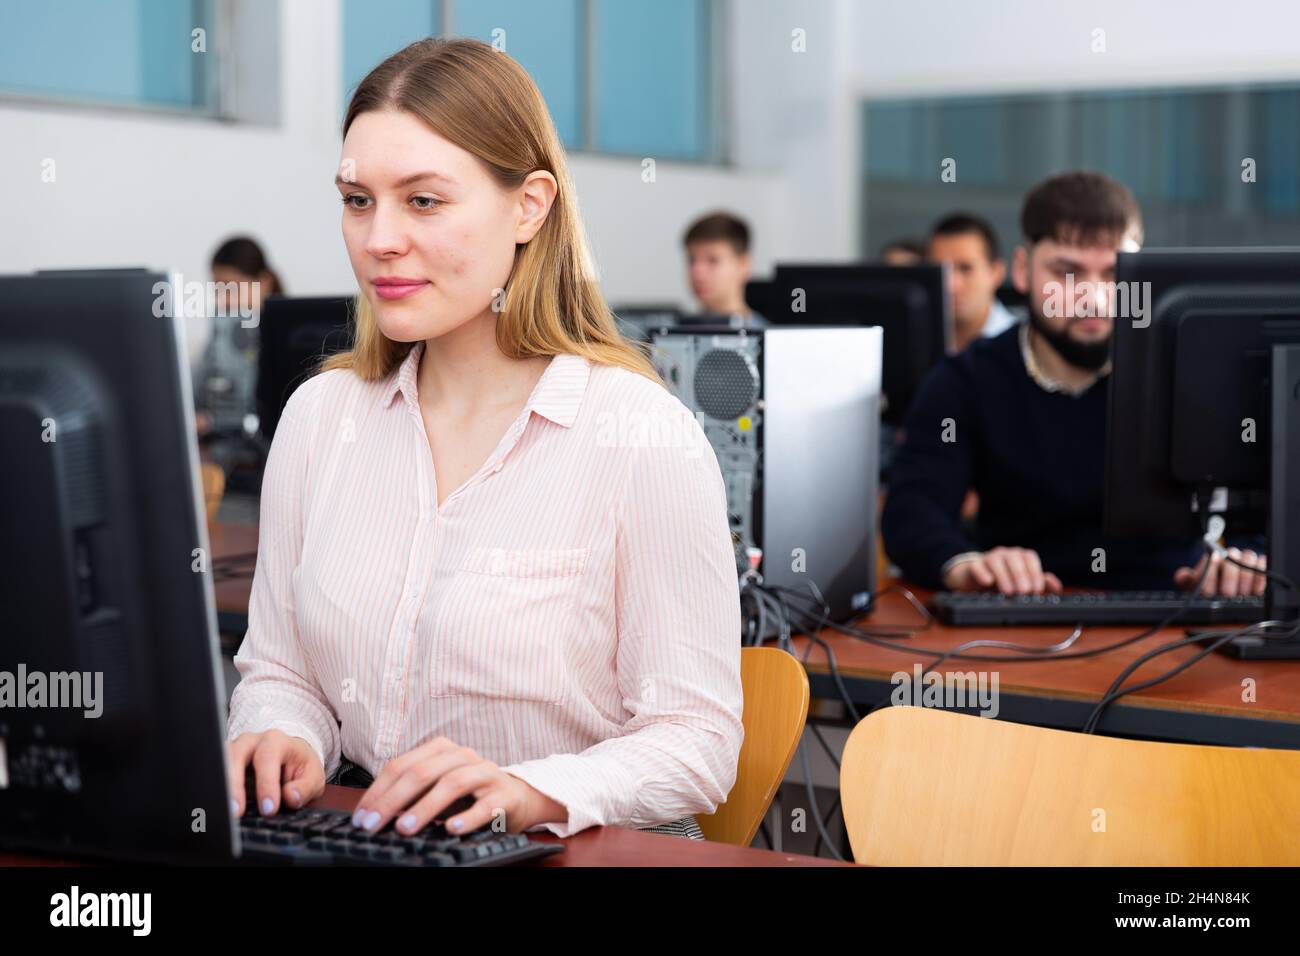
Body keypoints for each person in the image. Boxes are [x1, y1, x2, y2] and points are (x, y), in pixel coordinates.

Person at [225, 38, 743, 841]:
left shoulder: (641, 437)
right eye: (358, 200)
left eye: (423, 201)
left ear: (530, 206)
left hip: (571, 851)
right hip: (379, 841)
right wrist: (282, 731)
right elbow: (282, 672)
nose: (379, 240)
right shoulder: (321, 418)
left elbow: (699, 742)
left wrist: (528, 791)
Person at [882, 171, 1266, 597]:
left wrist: (1245, 562)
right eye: (1067, 272)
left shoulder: (1187, 371)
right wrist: (963, 564)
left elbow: (1261, 506)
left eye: (1115, 272)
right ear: (1023, 271)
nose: (1094, 298)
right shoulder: (967, 378)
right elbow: (912, 511)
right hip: (1019, 612)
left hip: (1173, 612)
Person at [194, 237, 283, 481]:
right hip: (224, 465)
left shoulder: (282, 341)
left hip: (267, 464)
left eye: (231, 288)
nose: (224, 300)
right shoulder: (221, 338)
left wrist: (211, 421)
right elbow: (193, 393)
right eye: (218, 290)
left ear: (263, 283)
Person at [926, 213, 1019, 351]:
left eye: (965, 269)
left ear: (996, 273)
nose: (951, 285)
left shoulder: (1024, 348)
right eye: (940, 270)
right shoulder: (913, 344)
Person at [683, 211, 763, 326]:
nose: (697, 272)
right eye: (692, 260)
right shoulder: (667, 335)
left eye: (712, 260)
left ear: (743, 265)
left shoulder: (773, 340)